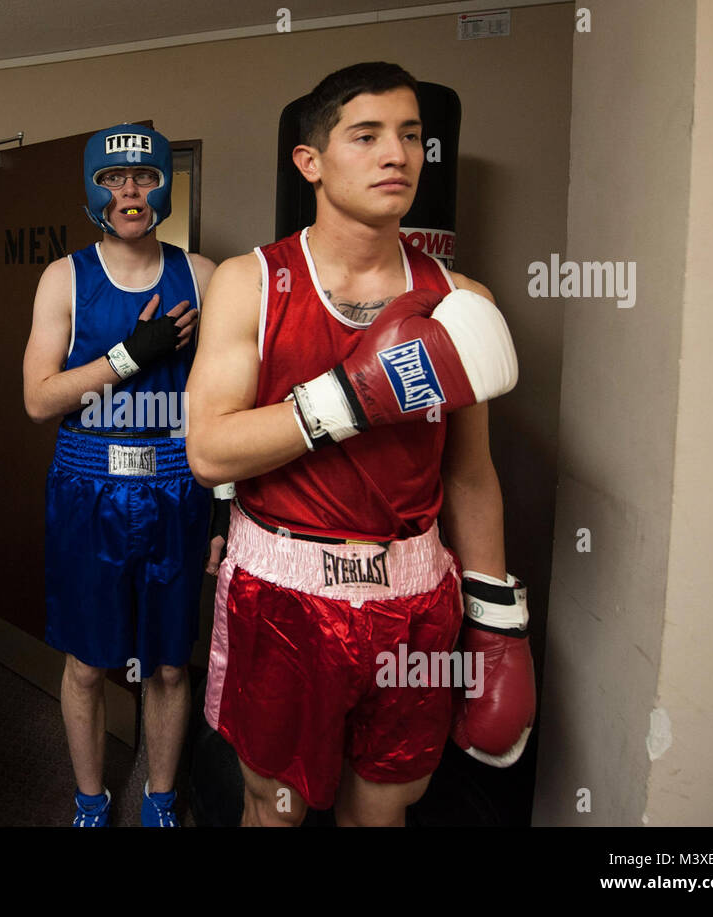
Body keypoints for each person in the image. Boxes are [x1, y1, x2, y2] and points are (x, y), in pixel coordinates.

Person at [185, 63, 535, 827]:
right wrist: (350, 398)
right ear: (310, 162)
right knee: (270, 805)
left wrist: (497, 622)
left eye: (412, 136)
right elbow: (209, 450)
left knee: (383, 809)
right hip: (282, 588)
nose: (398, 155)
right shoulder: (253, 283)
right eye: (367, 135)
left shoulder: (461, 301)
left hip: (413, 592)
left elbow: (470, 475)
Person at [22, 124, 218, 826]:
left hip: (175, 481)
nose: (130, 192)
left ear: (164, 184)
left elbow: (228, 400)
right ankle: (89, 801)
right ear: (94, 189)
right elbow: (39, 397)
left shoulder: (202, 274)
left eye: (143, 178)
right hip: (88, 483)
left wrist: (225, 510)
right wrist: (132, 354)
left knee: (169, 663)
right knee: (86, 660)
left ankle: (161, 802)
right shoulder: (64, 276)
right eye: (113, 179)